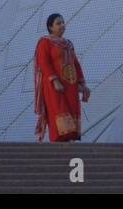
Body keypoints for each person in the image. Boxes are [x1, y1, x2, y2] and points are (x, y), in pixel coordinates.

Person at [34, 13, 91, 142]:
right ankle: (58, 140)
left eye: (63, 22)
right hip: (54, 85)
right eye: (58, 23)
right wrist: (54, 80)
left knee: (71, 109)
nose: (62, 25)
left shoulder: (68, 44)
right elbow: (44, 62)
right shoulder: (45, 42)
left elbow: (75, 63)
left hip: (70, 84)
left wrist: (81, 83)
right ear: (50, 27)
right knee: (58, 109)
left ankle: (69, 140)